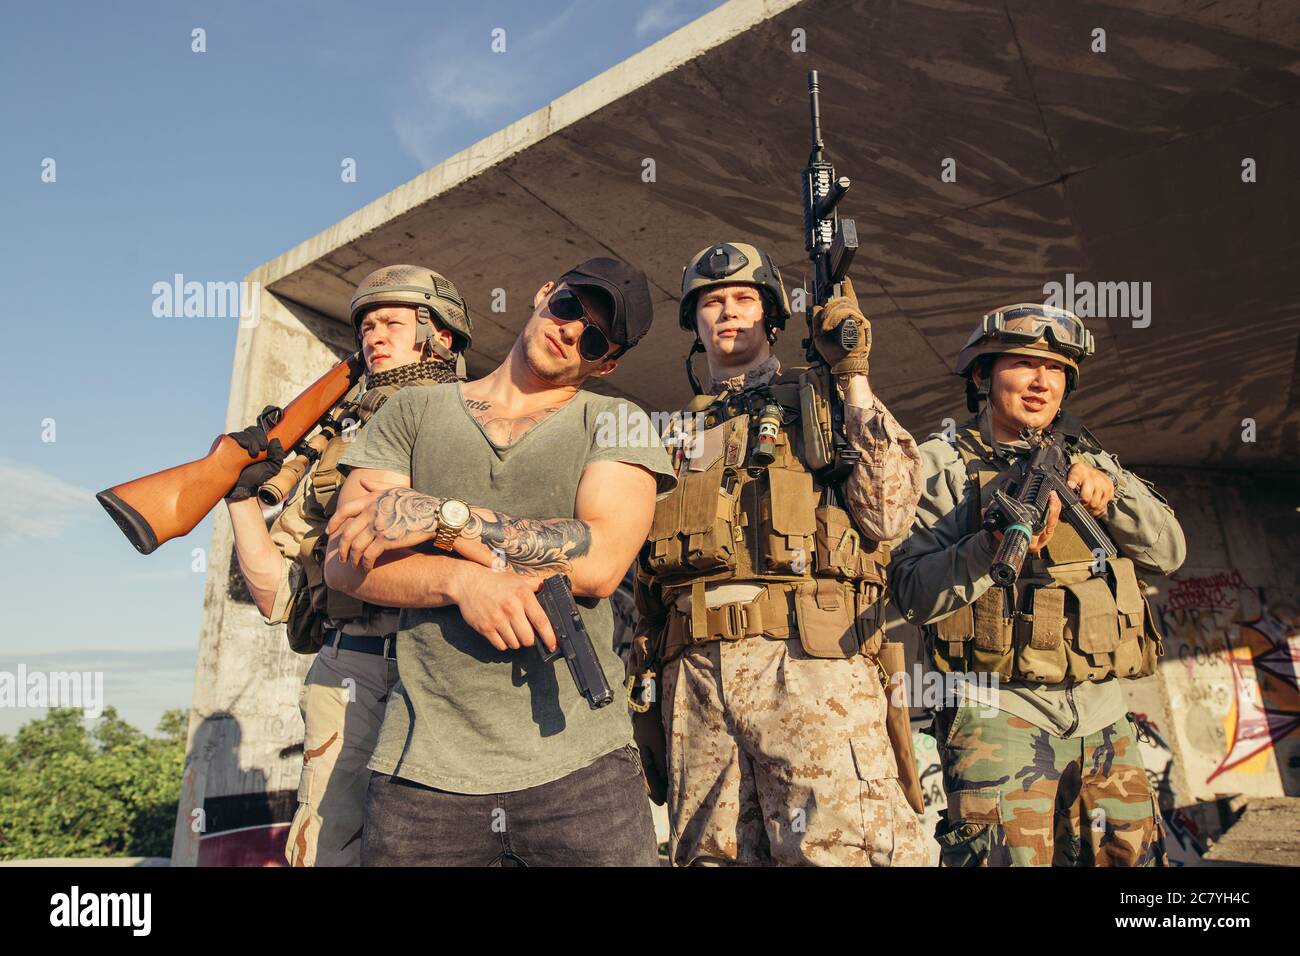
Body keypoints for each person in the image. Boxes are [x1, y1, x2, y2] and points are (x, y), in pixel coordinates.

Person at [324, 257, 676, 866]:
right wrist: (460, 580)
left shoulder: (614, 420)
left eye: (593, 336)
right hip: (422, 773)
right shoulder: (412, 412)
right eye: (569, 307)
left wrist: (446, 519)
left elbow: (597, 561)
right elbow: (345, 561)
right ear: (545, 291)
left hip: (583, 770)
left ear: (607, 363)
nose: (569, 330)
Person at [629, 241, 928, 866]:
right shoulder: (670, 437)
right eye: (712, 302)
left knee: (839, 851)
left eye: (743, 298)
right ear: (694, 322)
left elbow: (889, 512)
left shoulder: (821, 406)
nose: (728, 312)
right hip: (697, 684)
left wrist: (851, 377)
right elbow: (646, 588)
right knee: (712, 857)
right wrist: (648, 693)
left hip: (811, 669)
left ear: (771, 315)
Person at [890, 303, 1186, 867]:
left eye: (1055, 369)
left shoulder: (1092, 460)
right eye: (1023, 364)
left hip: (1103, 715)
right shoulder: (940, 466)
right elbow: (910, 593)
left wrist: (1113, 489)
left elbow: (1169, 552)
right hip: (998, 713)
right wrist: (986, 543)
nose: (1041, 382)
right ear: (981, 375)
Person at [223, 264, 472, 866]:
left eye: (391, 322)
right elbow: (277, 596)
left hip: (452, 666)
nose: (372, 337)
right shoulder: (342, 439)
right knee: (324, 851)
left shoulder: (479, 419)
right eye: (365, 327)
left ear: (439, 335)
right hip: (349, 666)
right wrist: (235, 496)